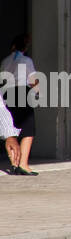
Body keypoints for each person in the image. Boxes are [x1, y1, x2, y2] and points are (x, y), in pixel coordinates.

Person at [0, 35, 39, 175]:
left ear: (13, 46)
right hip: (22, 93)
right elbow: (33, 80)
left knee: (11, 127)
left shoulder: (5, 61)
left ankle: (14, 163)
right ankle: (23, 164)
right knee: (28, 128)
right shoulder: (26, 60)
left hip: (6, 94)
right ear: (25, 48)